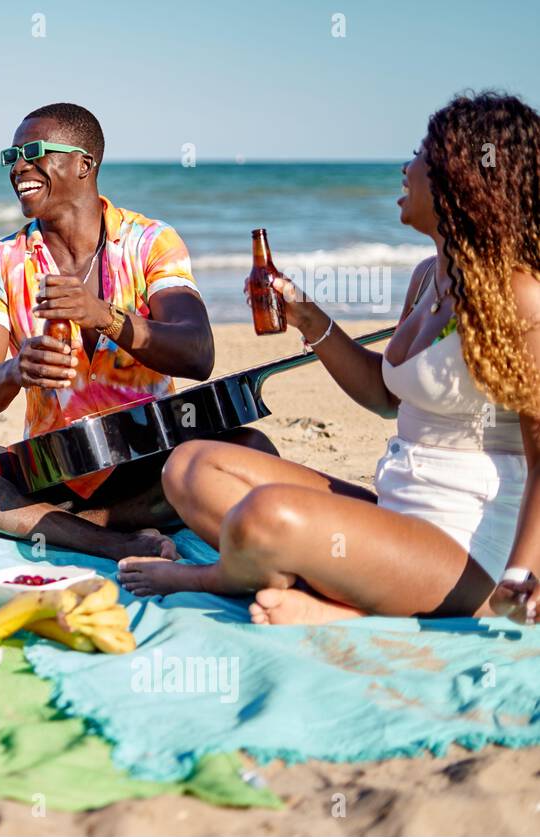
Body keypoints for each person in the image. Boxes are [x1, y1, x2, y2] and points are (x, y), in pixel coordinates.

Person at [118, 92, 540, 625]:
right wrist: (309, 320)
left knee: (267, 517)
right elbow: (386, 398)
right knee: (191, 466)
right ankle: (331, 586)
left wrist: (522, 574)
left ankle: (230, 579)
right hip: (393, 518)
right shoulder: (428, 277)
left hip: (468, 551)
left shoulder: (519, 296)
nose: (406, 168)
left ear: (461, 177)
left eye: (421, 155)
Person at [0, 102, 274, 559]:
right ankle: (109, 541)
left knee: (254, 452)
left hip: (150, 462)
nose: (19, 167)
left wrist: (104, 316)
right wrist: (14, 371)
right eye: (11, 156)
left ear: (84, 163)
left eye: (33, 152)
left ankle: (36, 523)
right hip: (52, 468)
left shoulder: (149, 241)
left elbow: (197, 353)